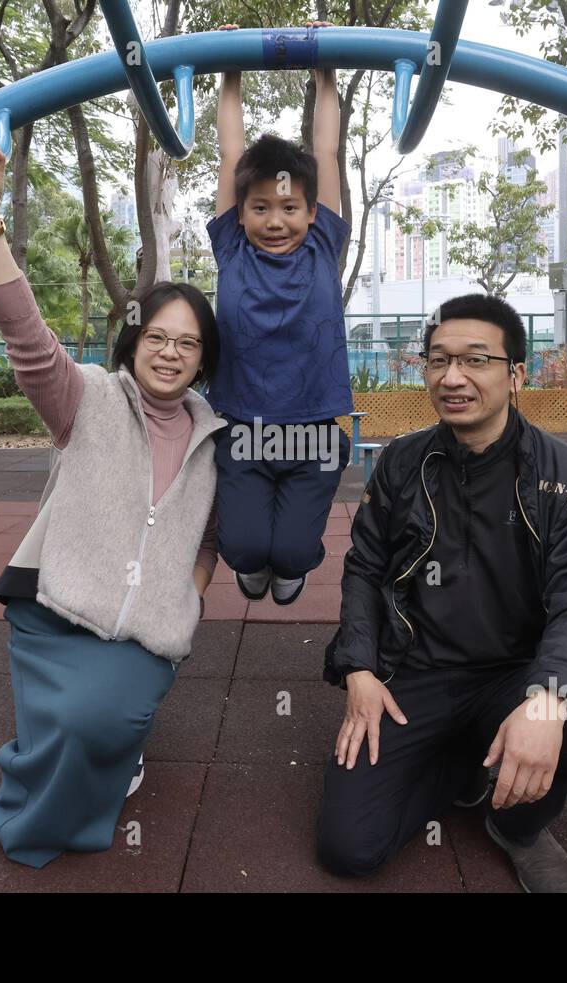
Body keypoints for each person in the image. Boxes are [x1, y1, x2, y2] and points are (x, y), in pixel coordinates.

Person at [0, 136, 226, 869]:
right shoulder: (89, 400)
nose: (169, 353)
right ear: (132, 341)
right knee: (73, 725)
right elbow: (27, 336)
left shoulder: (216, 440)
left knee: (110, 717)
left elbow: (207, 540)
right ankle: (41, 804)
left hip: (150, 625)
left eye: (188, 344)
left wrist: (189, 598)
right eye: (157, 337)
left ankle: (112, 747)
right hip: (61, 603)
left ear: (204, 359)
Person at [316, 293, 567, 893]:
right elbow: (364, 568)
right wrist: (358, 669)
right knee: (348, 848)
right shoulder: (402, 463)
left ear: (515, 375)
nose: (452, 378)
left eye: (475, 361)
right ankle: (461, 762)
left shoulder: (563, 476)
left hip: (513, 674)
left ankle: (518, 826)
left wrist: (548, 697)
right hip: (414, 675)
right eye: (438, 360)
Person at [208, 20, 352, 607]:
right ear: (240, 214)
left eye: (289, 207)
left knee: (290, 554)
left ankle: (293, 560)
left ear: (312, 211)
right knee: (241, 549)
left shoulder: (324, 246)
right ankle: (254, 559)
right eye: (260, 206)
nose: (274, 220)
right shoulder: (231, 249)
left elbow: (326, 151)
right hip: (242, 428)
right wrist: (230, 71)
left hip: (314, 430)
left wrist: (325, 75)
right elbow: (230, 153)